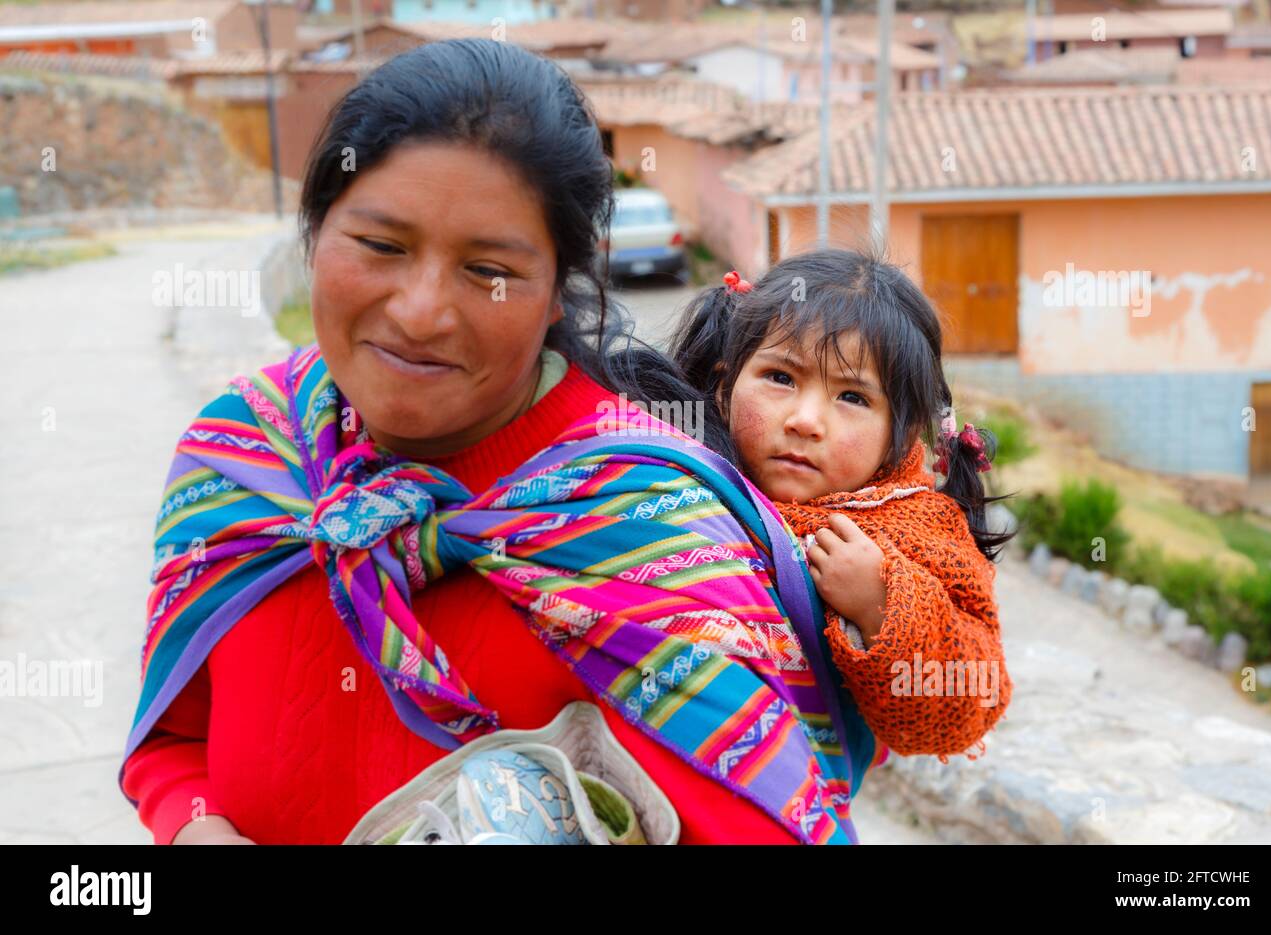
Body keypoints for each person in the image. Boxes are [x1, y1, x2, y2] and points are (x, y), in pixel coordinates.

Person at [119, 39, 879, 846]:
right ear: (314, 234)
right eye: (380, 246)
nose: (419, 312)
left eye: (488, 270)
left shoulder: (651, 530)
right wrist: (191, 826)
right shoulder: (243, 457)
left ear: (560, 292)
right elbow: (172, 740)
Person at [671, 251, 1015, 761]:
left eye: (853, 397)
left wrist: (881, 604)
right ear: (726, 384)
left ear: (899, 435)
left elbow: (971, 702)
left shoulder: (914, 530)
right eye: (781, 378)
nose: (806, 420)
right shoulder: (670, 478)